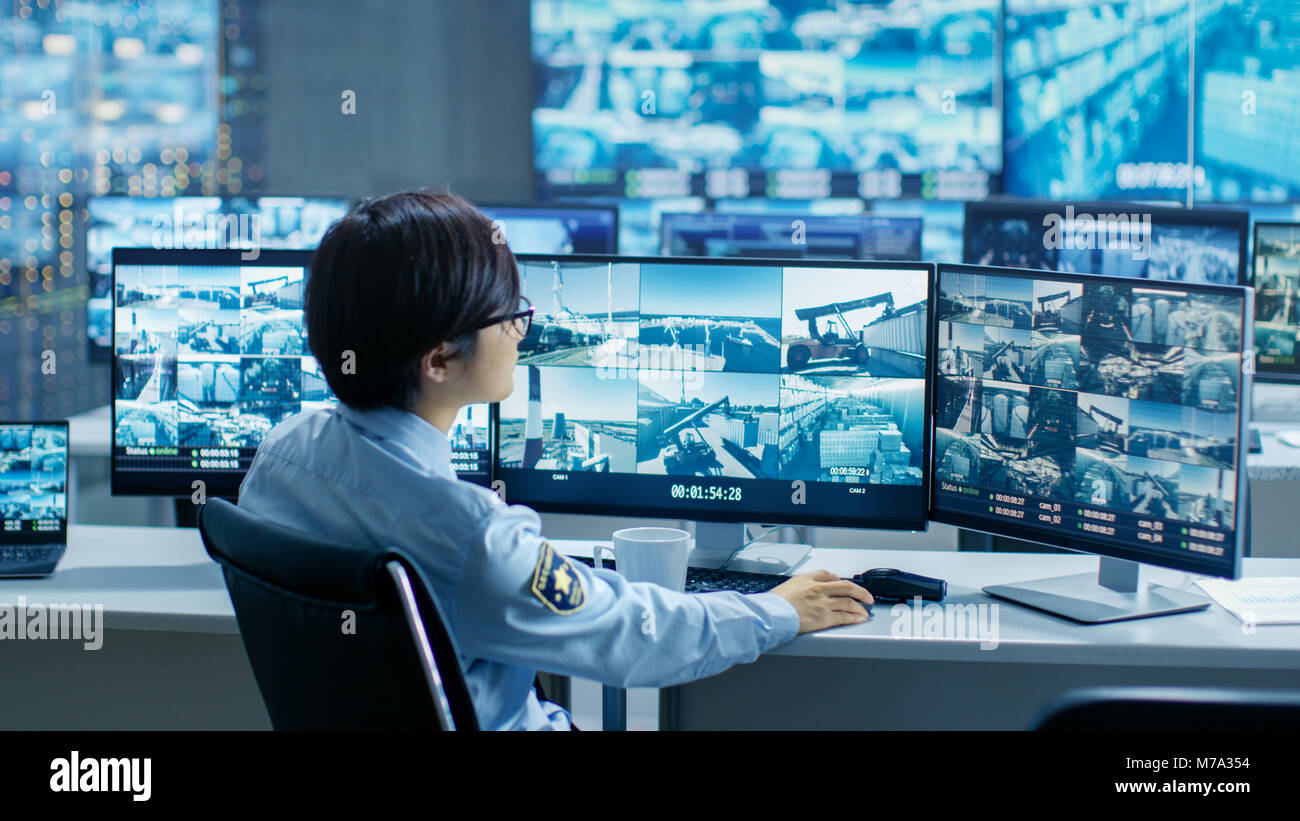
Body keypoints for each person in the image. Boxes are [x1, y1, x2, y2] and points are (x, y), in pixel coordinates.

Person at [237, 190, 874, 731]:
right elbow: (641, 640)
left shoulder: (283, 452)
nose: (523, 331)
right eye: (510, 315)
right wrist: (780, 610)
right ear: (437, 361)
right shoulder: (472, 535)